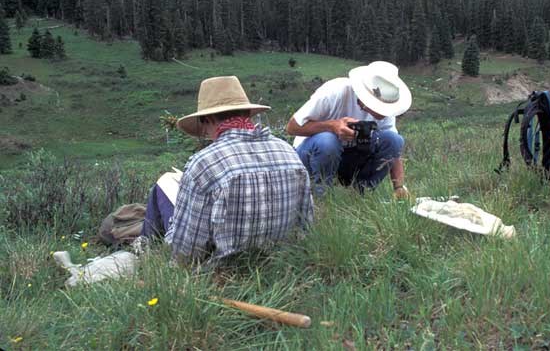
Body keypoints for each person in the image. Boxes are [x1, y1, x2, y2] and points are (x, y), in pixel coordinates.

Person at [142, 76, 314, 264]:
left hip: (221, 270)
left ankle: (144, 249)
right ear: (247, 113)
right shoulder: (288, 151)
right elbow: (305, 225)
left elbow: (186, 254)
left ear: (207, 119)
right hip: (280, 262)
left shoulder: (204, 163)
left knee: (163, 186)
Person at [286, 61, 412, 199]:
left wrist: (399, 186)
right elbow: (292, 127)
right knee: (327, 140)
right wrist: (332, 126)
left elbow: (394, 148)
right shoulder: (335, 91)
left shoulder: (386, 108)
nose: (384, 114)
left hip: (347, 160)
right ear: (364, 100)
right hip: (311, 155)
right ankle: (321, 197)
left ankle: (360, 194)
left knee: (393, 140)